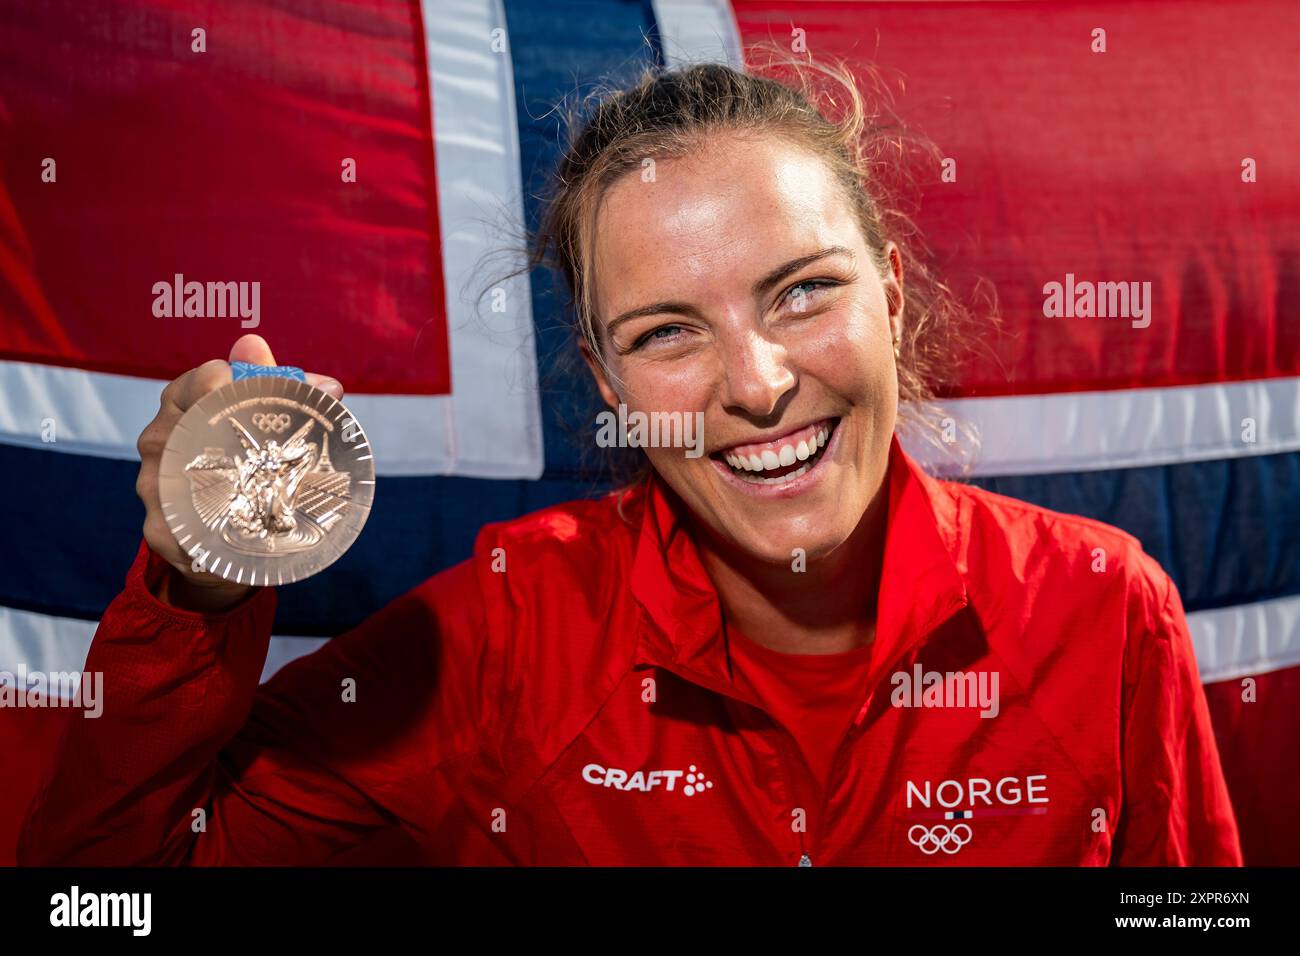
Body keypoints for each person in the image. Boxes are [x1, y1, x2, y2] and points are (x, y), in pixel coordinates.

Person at [18, 62, 1241, 866]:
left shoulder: (1103, 607)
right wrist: (198, 594)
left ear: (895, 299)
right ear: (606, 383)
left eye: (803, 292)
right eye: (666, 332)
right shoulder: (510, 632)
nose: (756, 385)